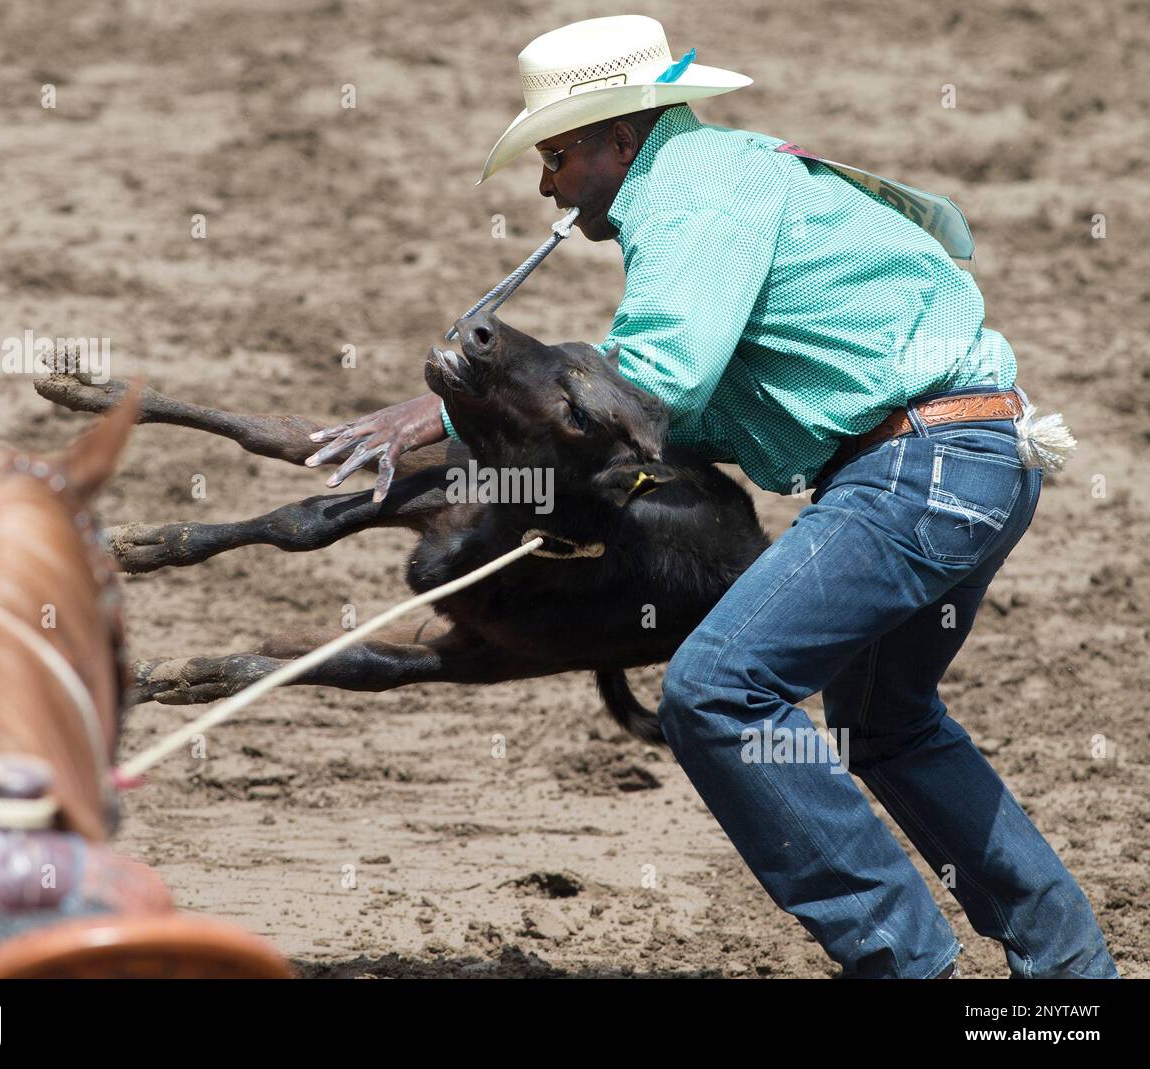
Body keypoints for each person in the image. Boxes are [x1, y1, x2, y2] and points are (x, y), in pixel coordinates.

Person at [303, 15, 1117, 978]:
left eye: (557, 154)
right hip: (974, 456)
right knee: (884, 720)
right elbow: (666, 420)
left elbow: (650, 388)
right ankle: (1070, 979)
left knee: (716, 688)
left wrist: (445, 405)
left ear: (623, 136)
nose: (546, 184)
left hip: (921, 469)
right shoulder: (722, 178)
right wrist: (466, 412)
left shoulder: (690, 196)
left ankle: (906, 965)